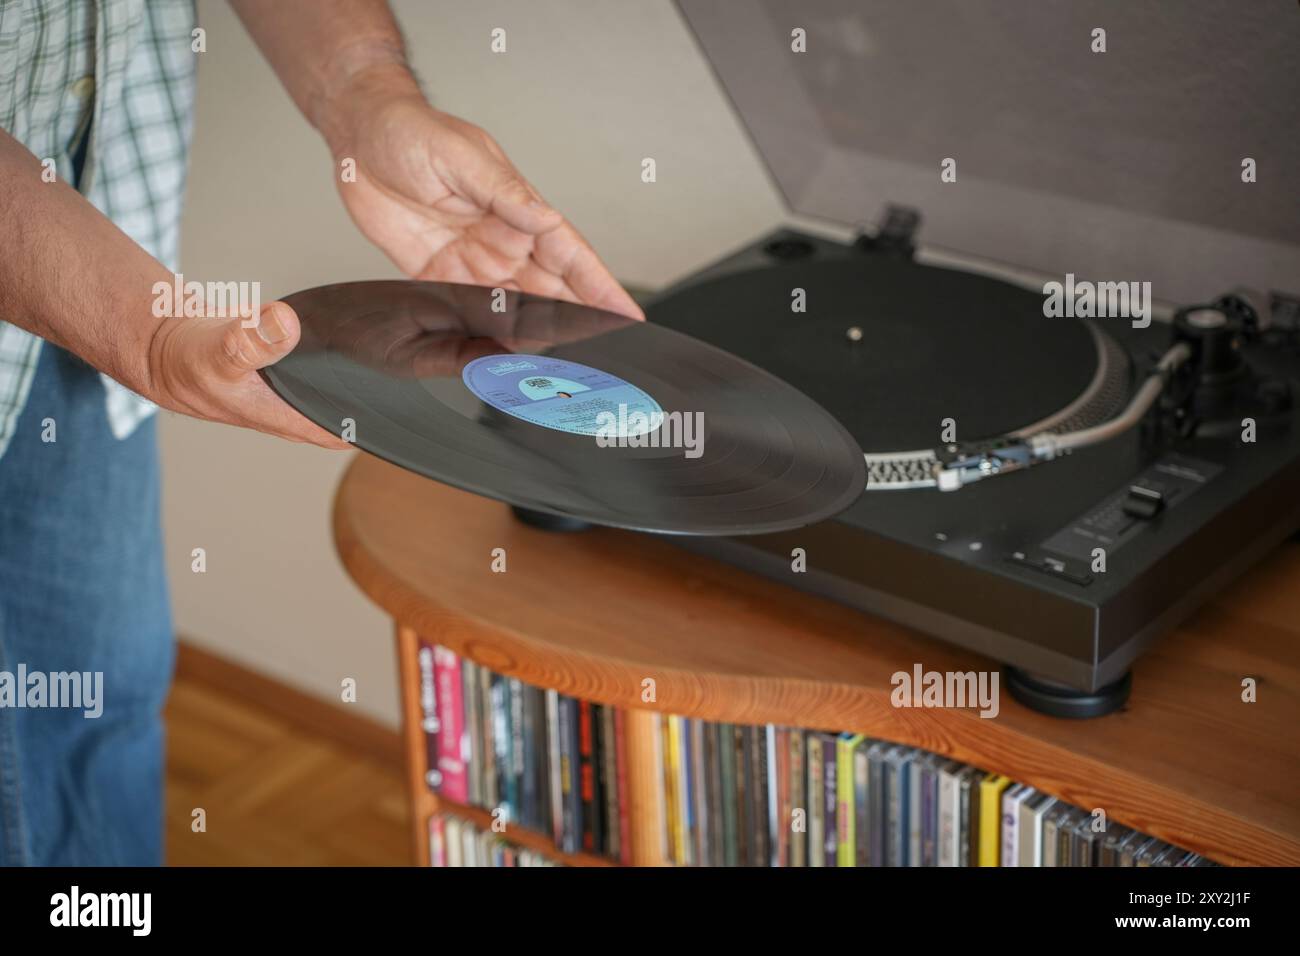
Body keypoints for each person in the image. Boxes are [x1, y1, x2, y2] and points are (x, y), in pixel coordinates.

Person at [0, 0, 640, 866]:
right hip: (94, 303)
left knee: (97, 702)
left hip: (79, 308)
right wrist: (147, 335)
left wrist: (368, 94)